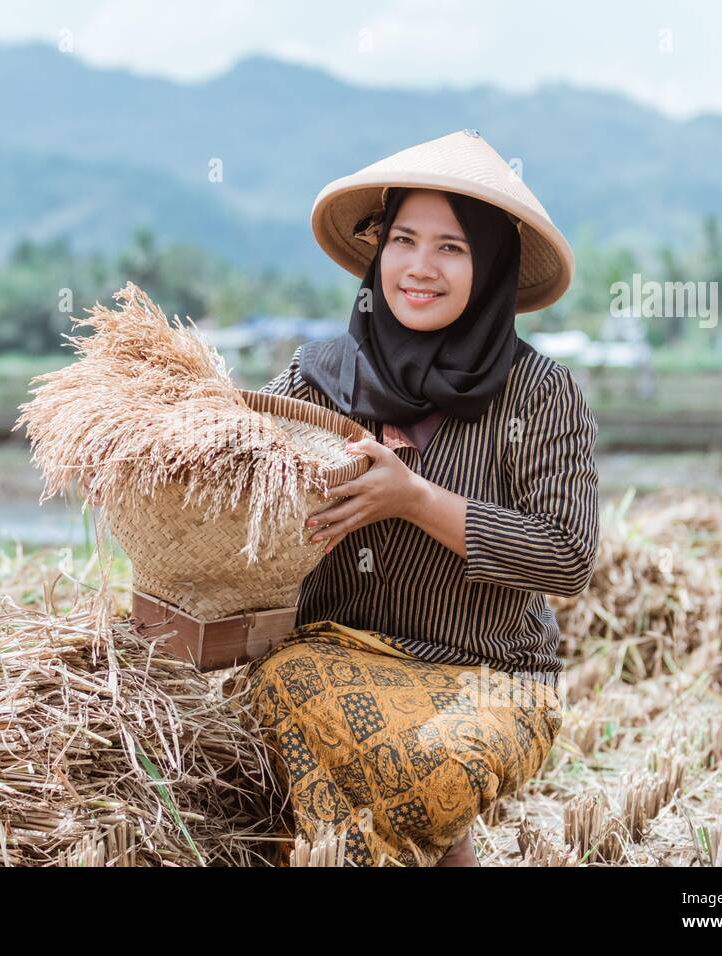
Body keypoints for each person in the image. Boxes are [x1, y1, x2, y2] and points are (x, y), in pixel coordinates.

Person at [242, 129, 599, 867]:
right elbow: (235, 486)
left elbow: (566, 559)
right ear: (377, 253)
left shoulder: (540, 392)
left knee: (425, 773)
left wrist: (412, 498)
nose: (419, 268)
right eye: (404, 240)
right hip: (333, 658)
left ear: (492, 267)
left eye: (452, 248)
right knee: (275, 694)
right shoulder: (315, 381)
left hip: (490, 675)